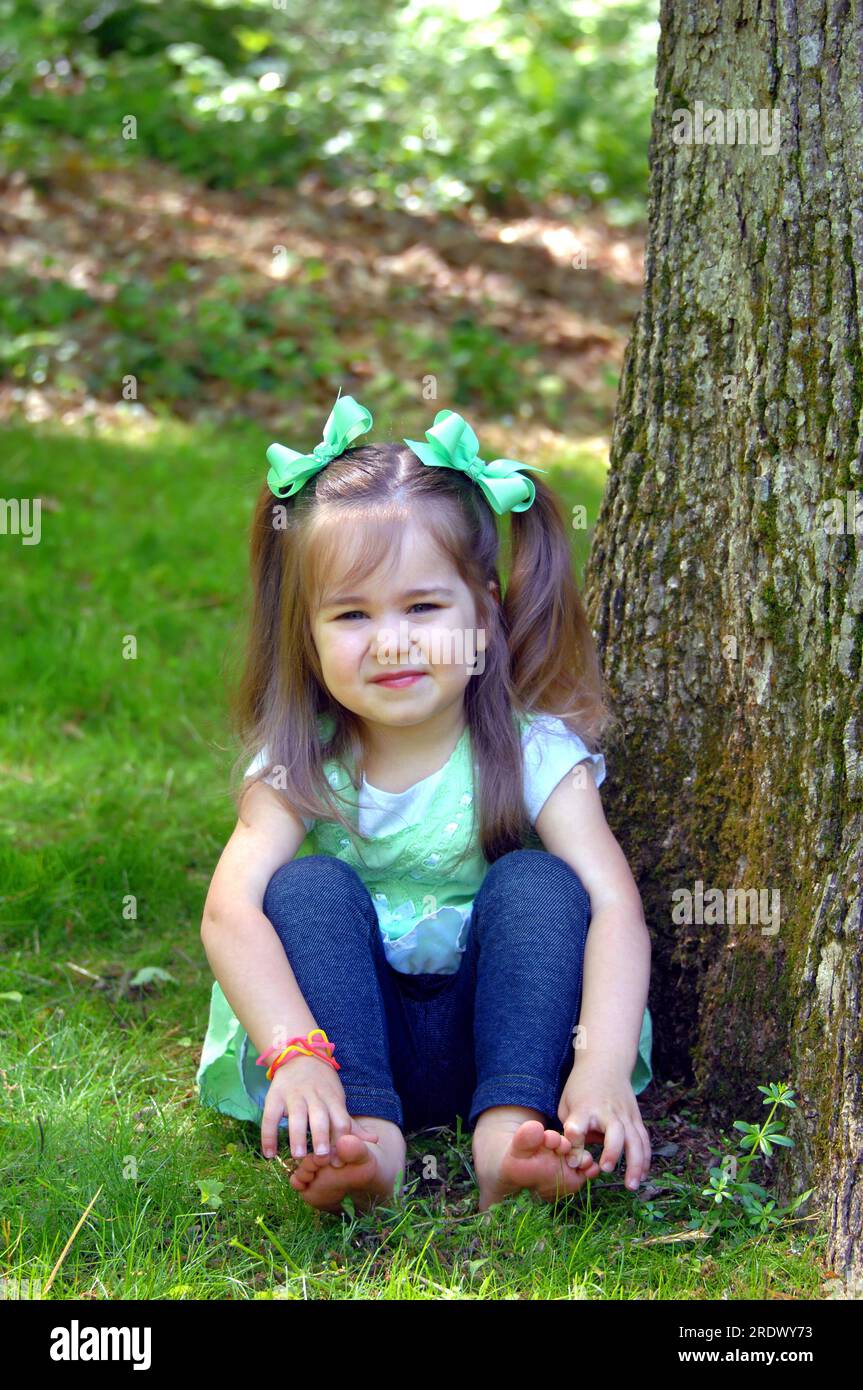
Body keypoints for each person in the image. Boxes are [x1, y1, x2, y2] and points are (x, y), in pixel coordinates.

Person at [196, 392, 653, 1214]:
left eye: (421, 606)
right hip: (348, 1044)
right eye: (351, 614)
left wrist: (601, 1065)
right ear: (306, 635)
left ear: (484, 609)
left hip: (504, 1035)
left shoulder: (535, 752)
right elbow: (229, 912)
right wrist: (297, 1055)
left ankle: (508, 1137)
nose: (392, 641)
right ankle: (365, 1139)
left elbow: (615, 907)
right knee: (303, 888)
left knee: (541, 884)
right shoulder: (304, 762)